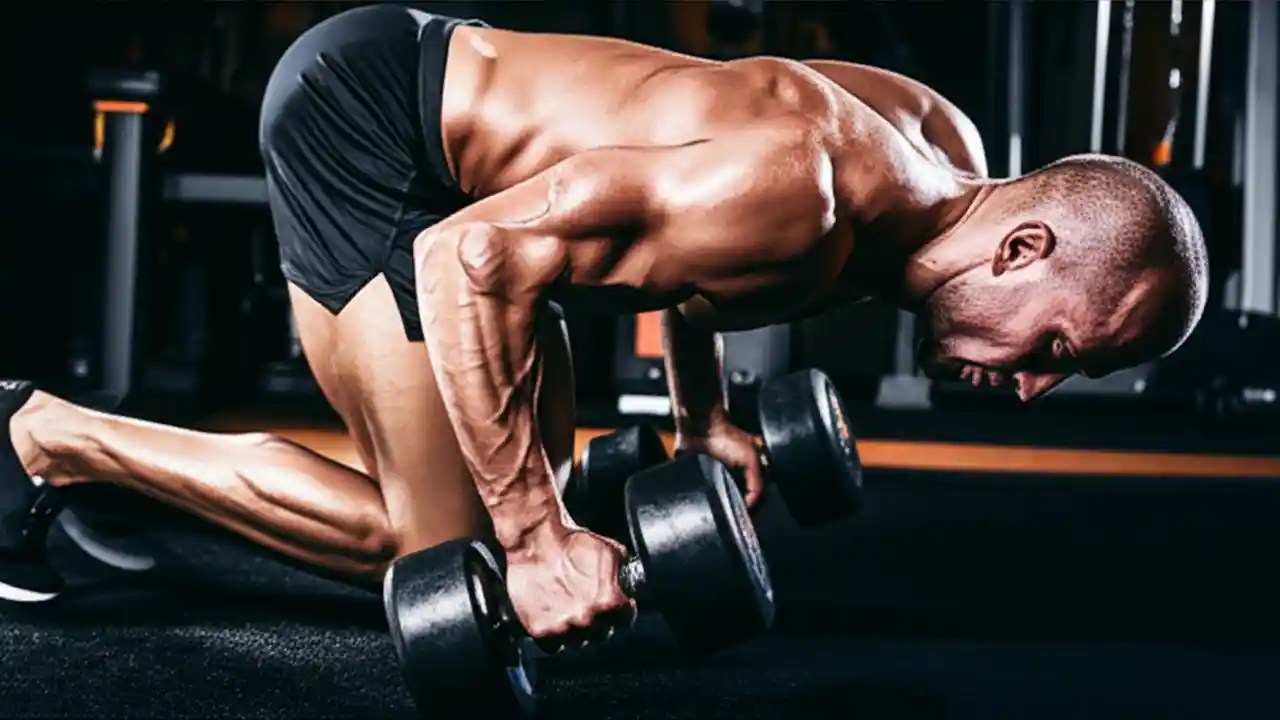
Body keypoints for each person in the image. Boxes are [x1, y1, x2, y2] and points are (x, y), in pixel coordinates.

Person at [1, 7, 1206, 652]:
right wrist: (532, 546)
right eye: (1057, 349)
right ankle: (41, 440)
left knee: (524, 471)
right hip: (383, 136)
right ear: (1021, 247)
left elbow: (693, 262)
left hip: (449, 113)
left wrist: (702, 420)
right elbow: (466, 255)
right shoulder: (799, 193)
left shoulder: (927, 165)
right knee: (437, 541)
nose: (1038, 387)